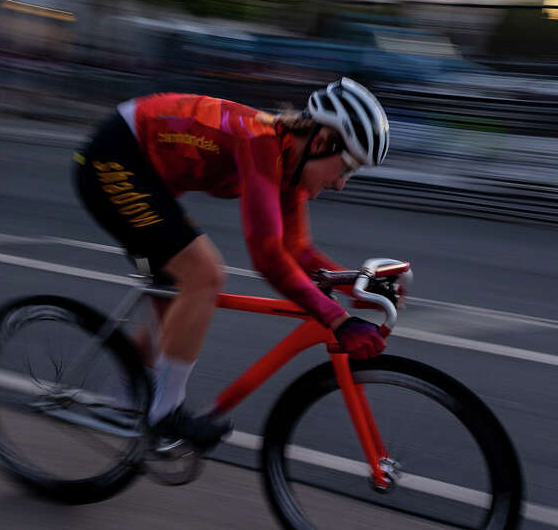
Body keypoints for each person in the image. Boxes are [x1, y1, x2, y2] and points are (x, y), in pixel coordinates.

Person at [73, 77, 391, 451]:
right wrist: (338, 319)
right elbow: (268, 256)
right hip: (114, 158)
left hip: (149, 175)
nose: (341, 184)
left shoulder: (290, 161)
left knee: (176, 298)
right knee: (204, 274)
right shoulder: (261, 143)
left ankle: (129, 400)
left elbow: (298, 250)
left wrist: (357, 284)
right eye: (347, 168)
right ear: (321, 143)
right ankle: (164, 415)